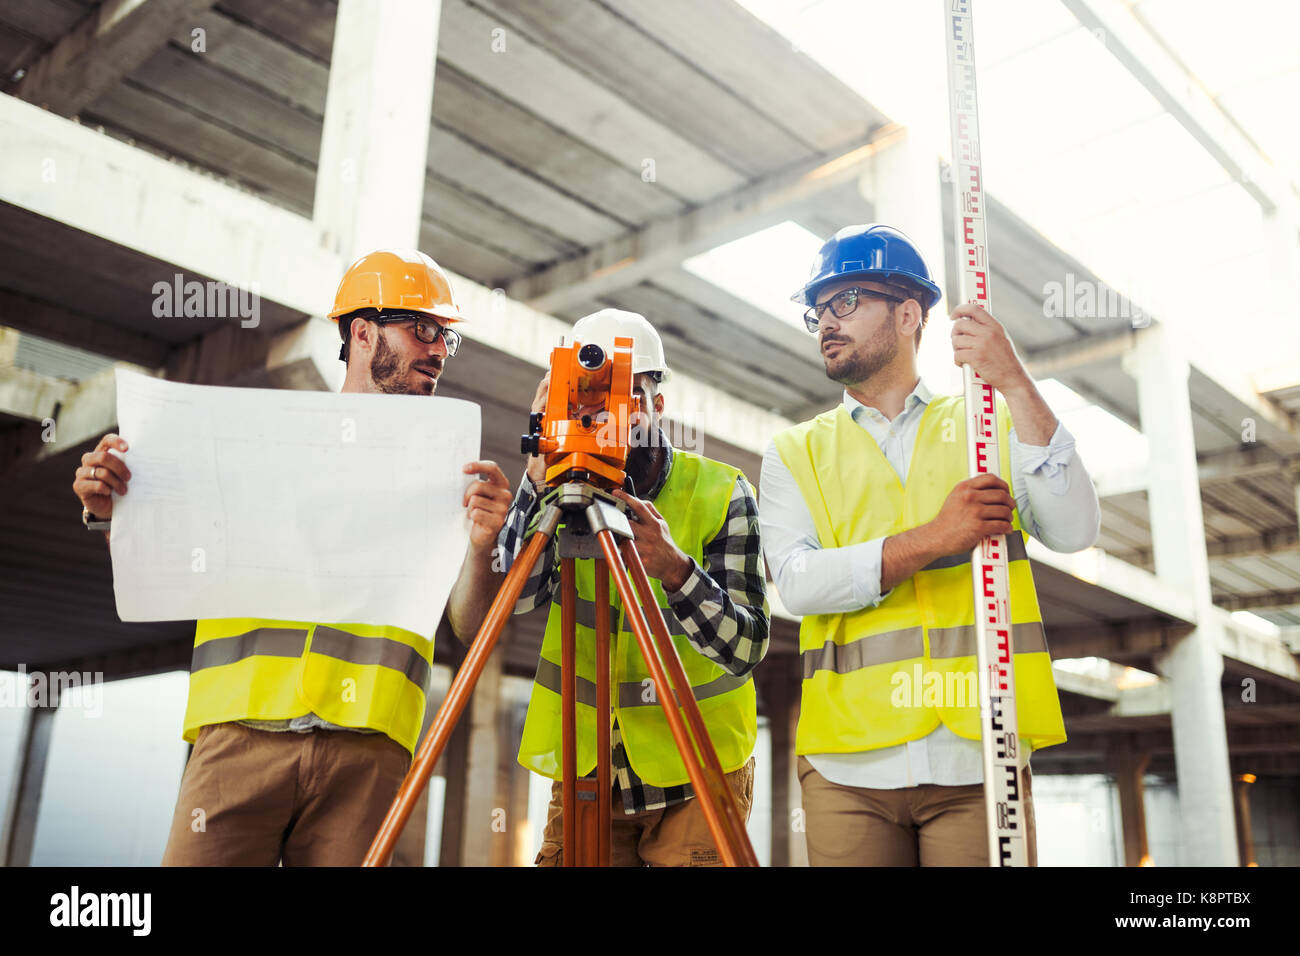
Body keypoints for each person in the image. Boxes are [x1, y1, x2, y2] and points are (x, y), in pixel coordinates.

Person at [72, 249, 513, 866]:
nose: (439, 348)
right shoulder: (255, 436)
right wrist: (110, 504)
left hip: (369, 750)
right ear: (362, 332)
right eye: (423, 328)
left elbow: (470, 626)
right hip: (238, 734)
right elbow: (177, 547)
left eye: (445, 336)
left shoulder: (452, 473)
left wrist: (483, 545)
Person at [761, 224, 1100, 866]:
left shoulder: (987, 421)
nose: (826, 323)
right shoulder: (792, 450)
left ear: (909, 313)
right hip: (848, 765)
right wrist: (938, 537)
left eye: (846, 301)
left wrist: (1016, 383)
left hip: (982, 752)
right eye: (819, 310)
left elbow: (1075, 528)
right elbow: (800, 583)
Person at [498, 309, 769, 866]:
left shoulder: (722, 492)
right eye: (588, 400)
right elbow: (513, 597)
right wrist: (534, 478)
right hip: (587, 765)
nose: (610, 416)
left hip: (698, 768)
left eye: (628, 396)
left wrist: (676, 571)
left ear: (658, 405)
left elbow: (746, 648)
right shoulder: (555, 489)